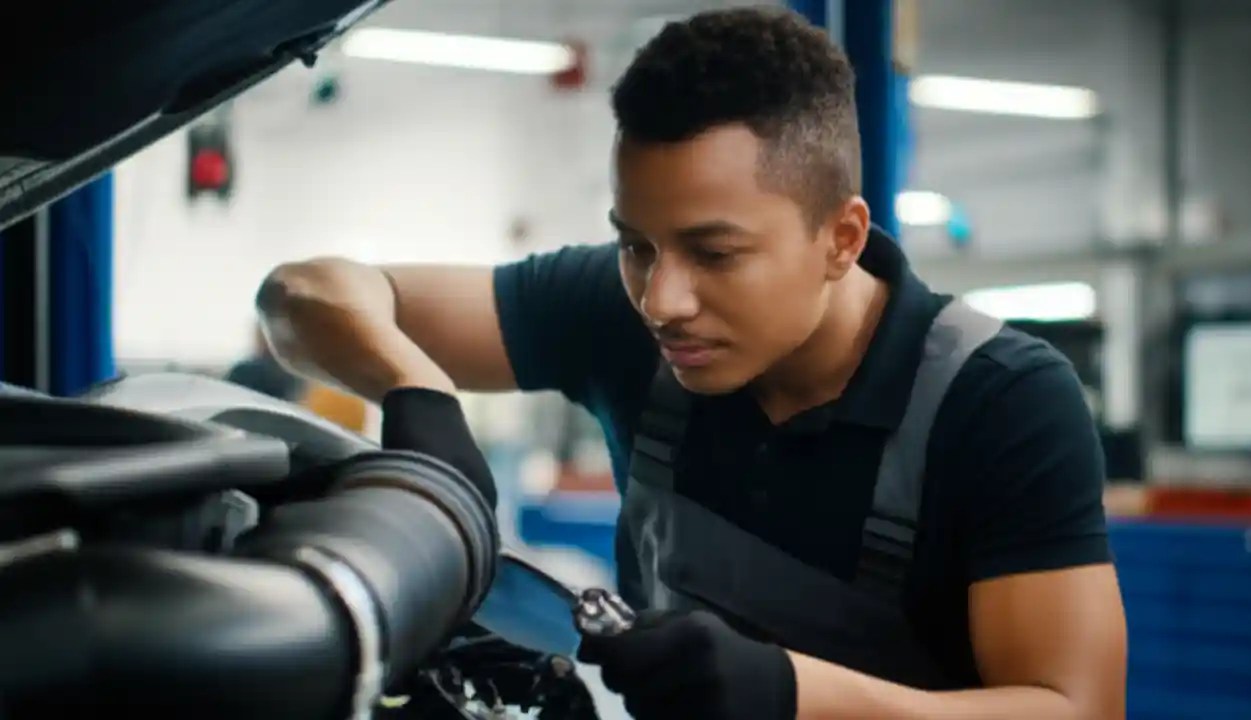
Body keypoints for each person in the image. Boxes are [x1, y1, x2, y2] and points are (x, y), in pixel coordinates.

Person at [255, 7, 1127, 719]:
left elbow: (1078, 709)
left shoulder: (1001, 401)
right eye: (636, 245)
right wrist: (416, 388)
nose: (662, 299)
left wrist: (794, 694)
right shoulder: (613, 309)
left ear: (841, 238)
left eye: (715, 253)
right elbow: (301, 296)